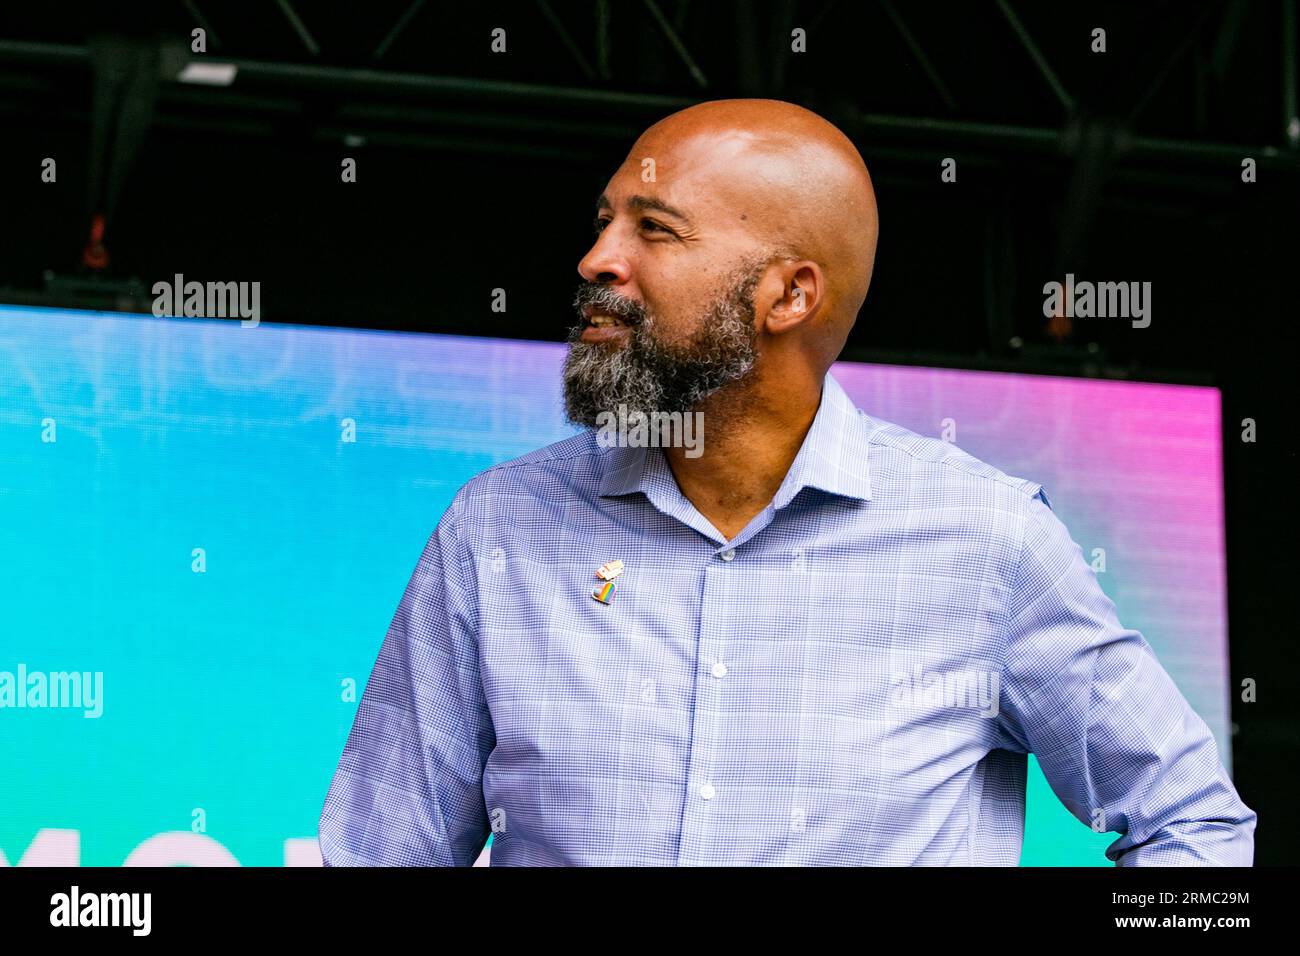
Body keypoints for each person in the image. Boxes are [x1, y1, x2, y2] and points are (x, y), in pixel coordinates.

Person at [319, 99, 1255, 865]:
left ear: (791, 296)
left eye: (656, 229)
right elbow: (379, 857)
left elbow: (1195, 829)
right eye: (606, 222)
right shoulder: (499, 527)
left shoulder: (985, 542)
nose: (599, 258)